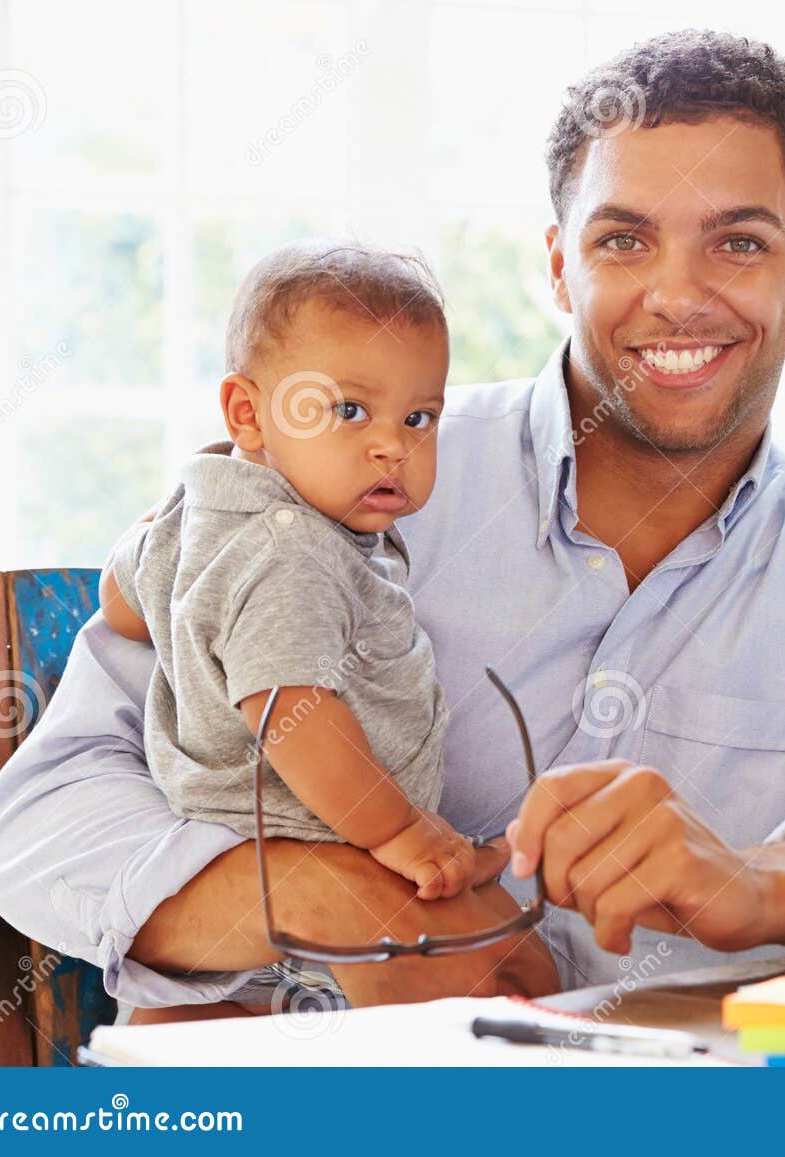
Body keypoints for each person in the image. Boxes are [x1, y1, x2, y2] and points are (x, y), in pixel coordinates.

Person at [0, 28, 785, 1018]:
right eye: (624, 240)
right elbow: (46, 821)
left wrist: (757, 878)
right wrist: (348, 897)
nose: (676, 296)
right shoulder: (336, 483)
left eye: (737, 243)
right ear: (556, 263)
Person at [93, 242, 561, 1016]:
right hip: (312, 849)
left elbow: (119, 599)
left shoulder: (200, 505)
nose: (393, 444)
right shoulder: (292, 549)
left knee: (190, 1029)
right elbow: (292, 713)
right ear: (247, 412)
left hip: (234, 863)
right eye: (349, 409)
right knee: (523, 975)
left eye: (419, 417)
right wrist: (401, 831)